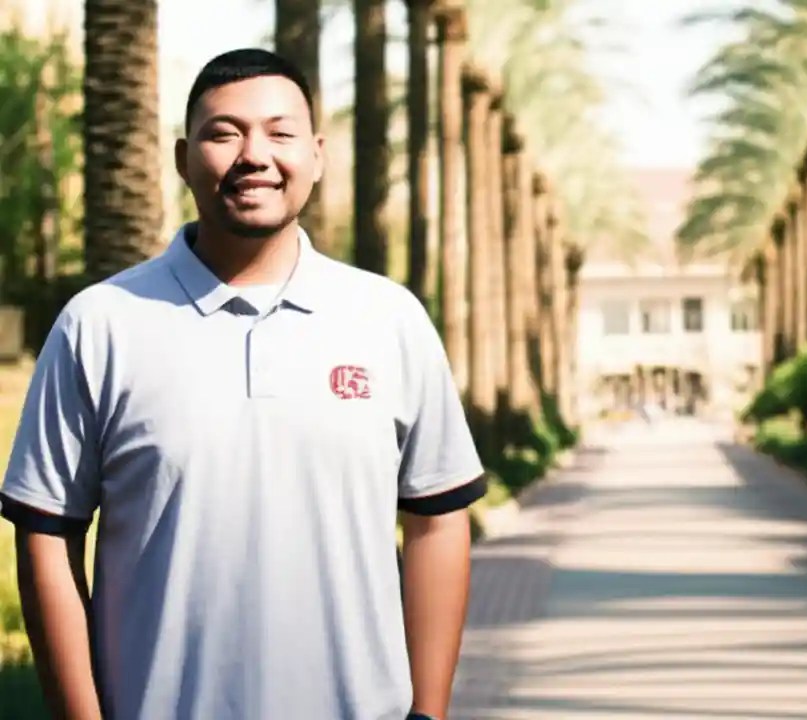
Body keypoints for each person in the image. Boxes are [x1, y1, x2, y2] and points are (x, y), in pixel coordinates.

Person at [0, 48, 485, 720]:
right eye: (224, 133)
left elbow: (436, 517)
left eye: (280, 133)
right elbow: (47, 536)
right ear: (182, 157)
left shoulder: (388, 319)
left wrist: (428, 713)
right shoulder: (99, 325)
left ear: (317, 155)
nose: (253, 154)